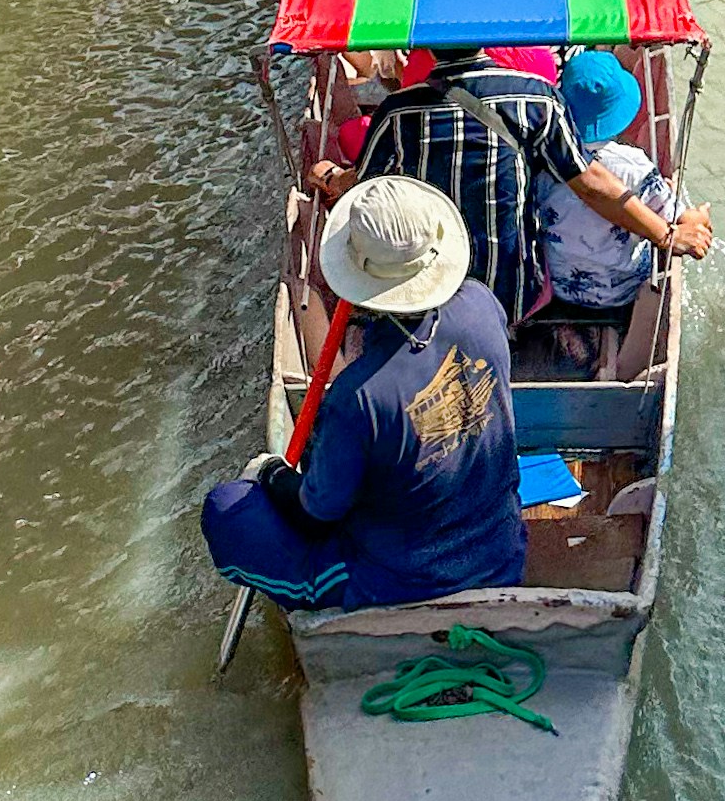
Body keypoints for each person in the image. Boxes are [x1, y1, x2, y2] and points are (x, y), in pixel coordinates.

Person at [197, 178, 525, 611]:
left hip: (400, 585)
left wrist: (272, 475)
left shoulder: (357, 396)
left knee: (227, 508)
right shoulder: (482, 303)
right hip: (502, 554)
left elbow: (317, 516)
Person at [311, 41, 712, 323]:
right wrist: (666, 235)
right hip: (517, 296)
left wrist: (327, 175)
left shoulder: (398, 111)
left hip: (427, 295)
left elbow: (363, 189)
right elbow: (591, 183)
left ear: (424, 46)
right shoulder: (537, 99)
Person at [537, 51, 678, 313]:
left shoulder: (543, 155)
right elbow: (674, 217)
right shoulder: (633, 165)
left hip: (556, 283)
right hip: (619, 290)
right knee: (665, 191)